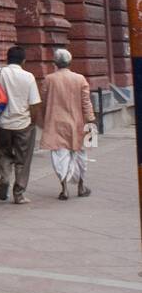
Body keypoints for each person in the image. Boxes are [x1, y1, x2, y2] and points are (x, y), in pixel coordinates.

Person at [0, 45, 42, 204]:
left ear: (7, 59)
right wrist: (33, 123)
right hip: (23, 124)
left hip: (2, 122)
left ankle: (4, 178)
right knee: (22, 160)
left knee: (4, 153)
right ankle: (19, 194)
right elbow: (35, 103)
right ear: (24, 61)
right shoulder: (28, 77)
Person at [39, 48, 96, 200]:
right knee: (80, 155)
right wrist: (91, 119)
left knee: (59, 156)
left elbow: (43, 102)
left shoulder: (49, 79)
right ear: (70, 62)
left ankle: (64, 188)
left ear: (55, 63)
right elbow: (86, 102)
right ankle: (81, 186)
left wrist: (43, 119)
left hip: (56, 123)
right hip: (78, 122)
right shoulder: (80, 79)